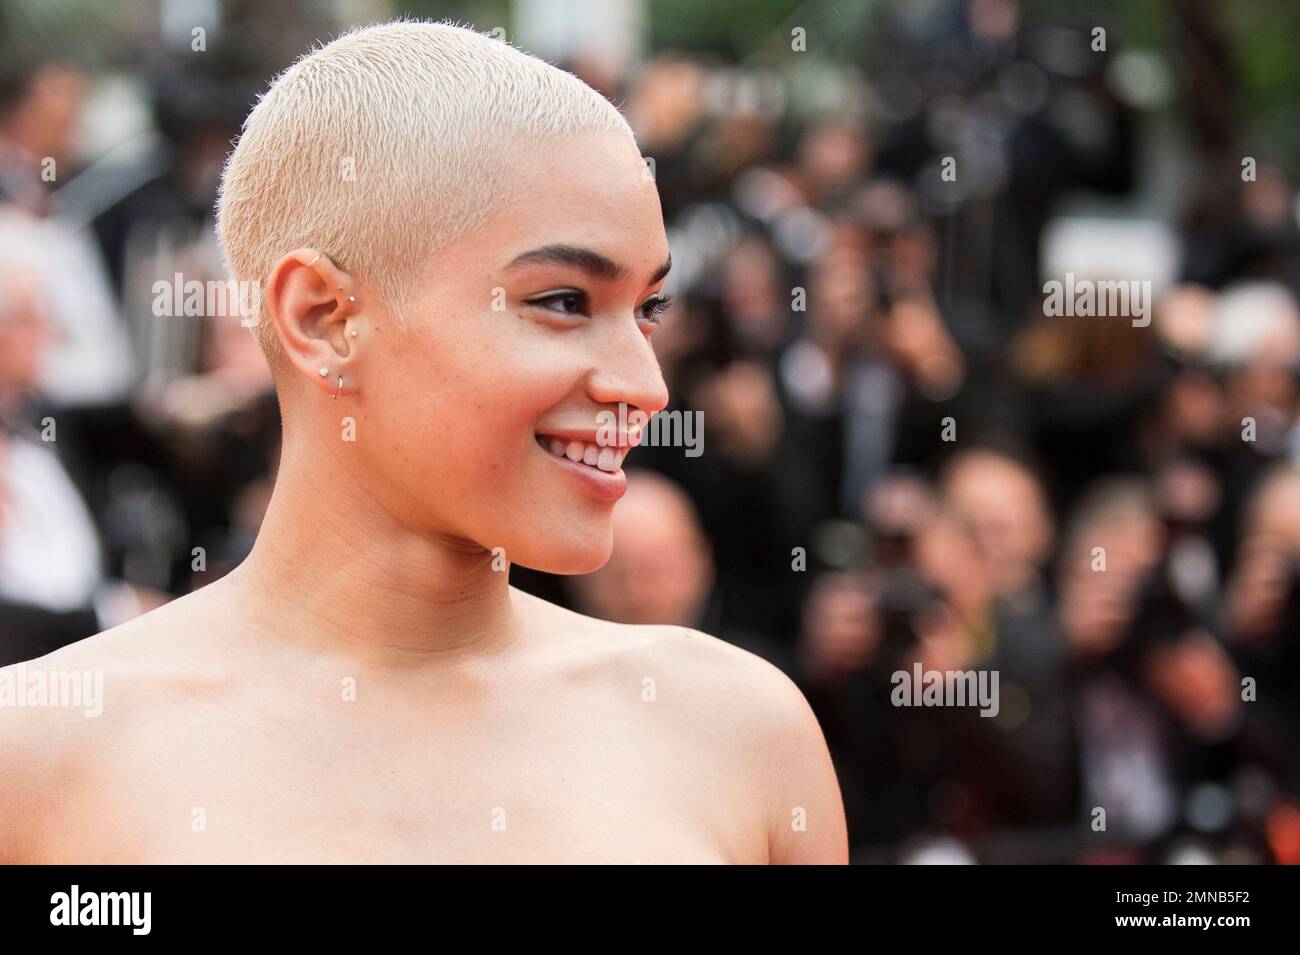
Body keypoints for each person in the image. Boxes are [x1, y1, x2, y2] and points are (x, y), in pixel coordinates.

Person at [0, 21, 846, 864]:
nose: (645, 385)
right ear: (324, 319)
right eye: (562, 301)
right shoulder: (40, 755)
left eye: (649, 310)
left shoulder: (737, 735)